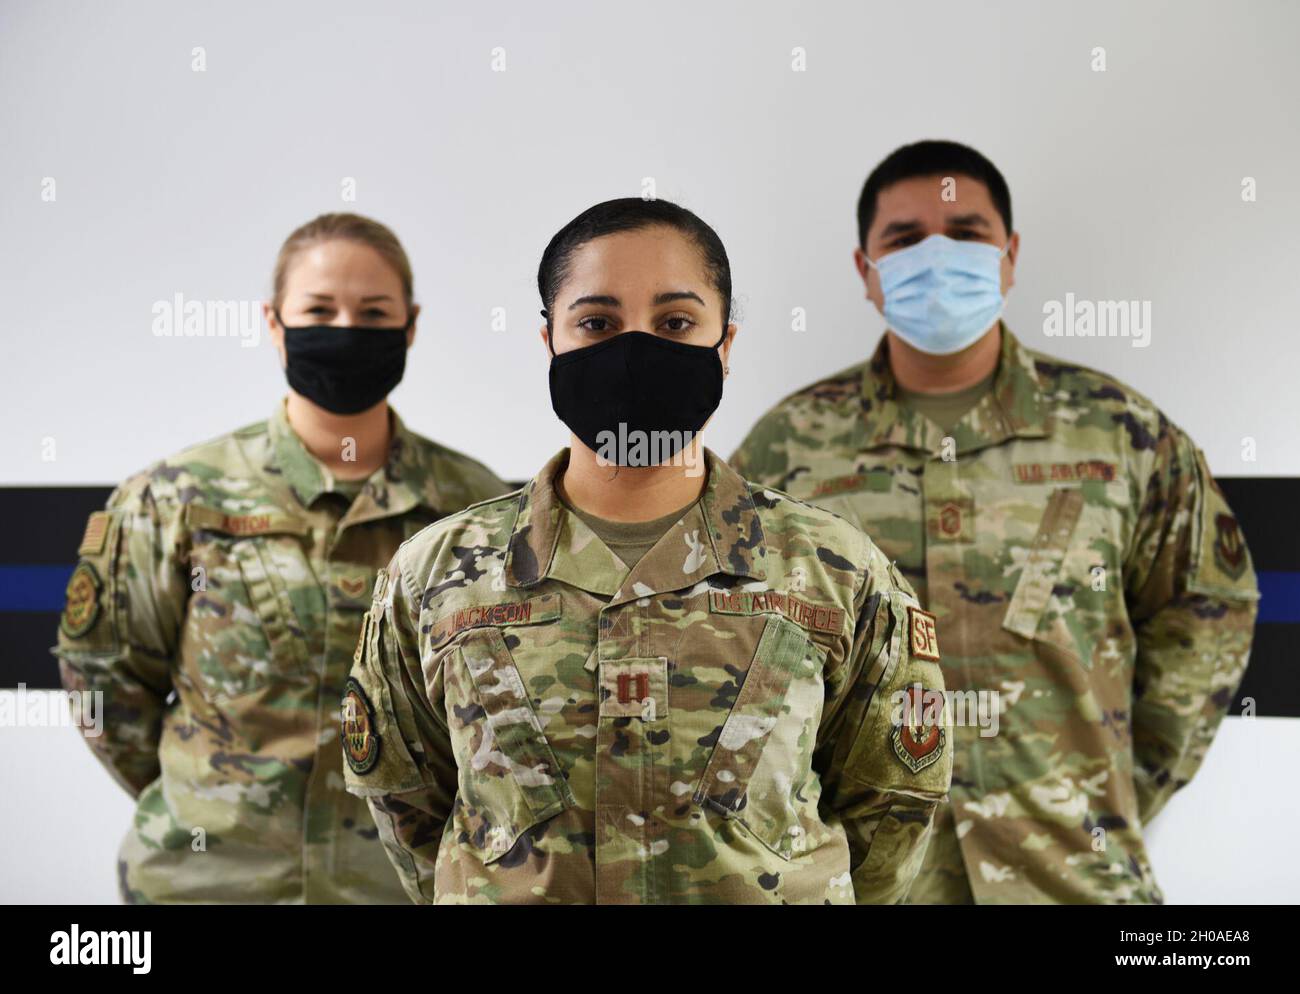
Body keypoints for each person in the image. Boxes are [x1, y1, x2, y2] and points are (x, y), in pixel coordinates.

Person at [341, 197, 952, 904]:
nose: (635, 351)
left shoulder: (837, 573)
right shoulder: (435, 577)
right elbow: (408, 805)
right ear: (551, 344)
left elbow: (890, 811)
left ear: (724, 345)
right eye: (597, 323)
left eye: (675, 323)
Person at [731, 140, 1260, 904]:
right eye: (906, 240)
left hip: (1071, 874)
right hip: (871, 885)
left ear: (1009, 256)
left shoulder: (1118, 434)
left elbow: (1208, 609)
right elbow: (742, 651)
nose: (936, 257)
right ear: (866, 269)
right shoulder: (789, 446)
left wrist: (1114, 787)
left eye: (967, 234)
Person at [53, 213, 509, 903]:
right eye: (320, 310)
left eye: (373, 311)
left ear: (410, 325)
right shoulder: (177, 497)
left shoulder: (472, 508)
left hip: (392, 891)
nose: (346, 329)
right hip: (209, 886)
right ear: (274, 322)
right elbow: (106, 677)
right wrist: (206, 800)